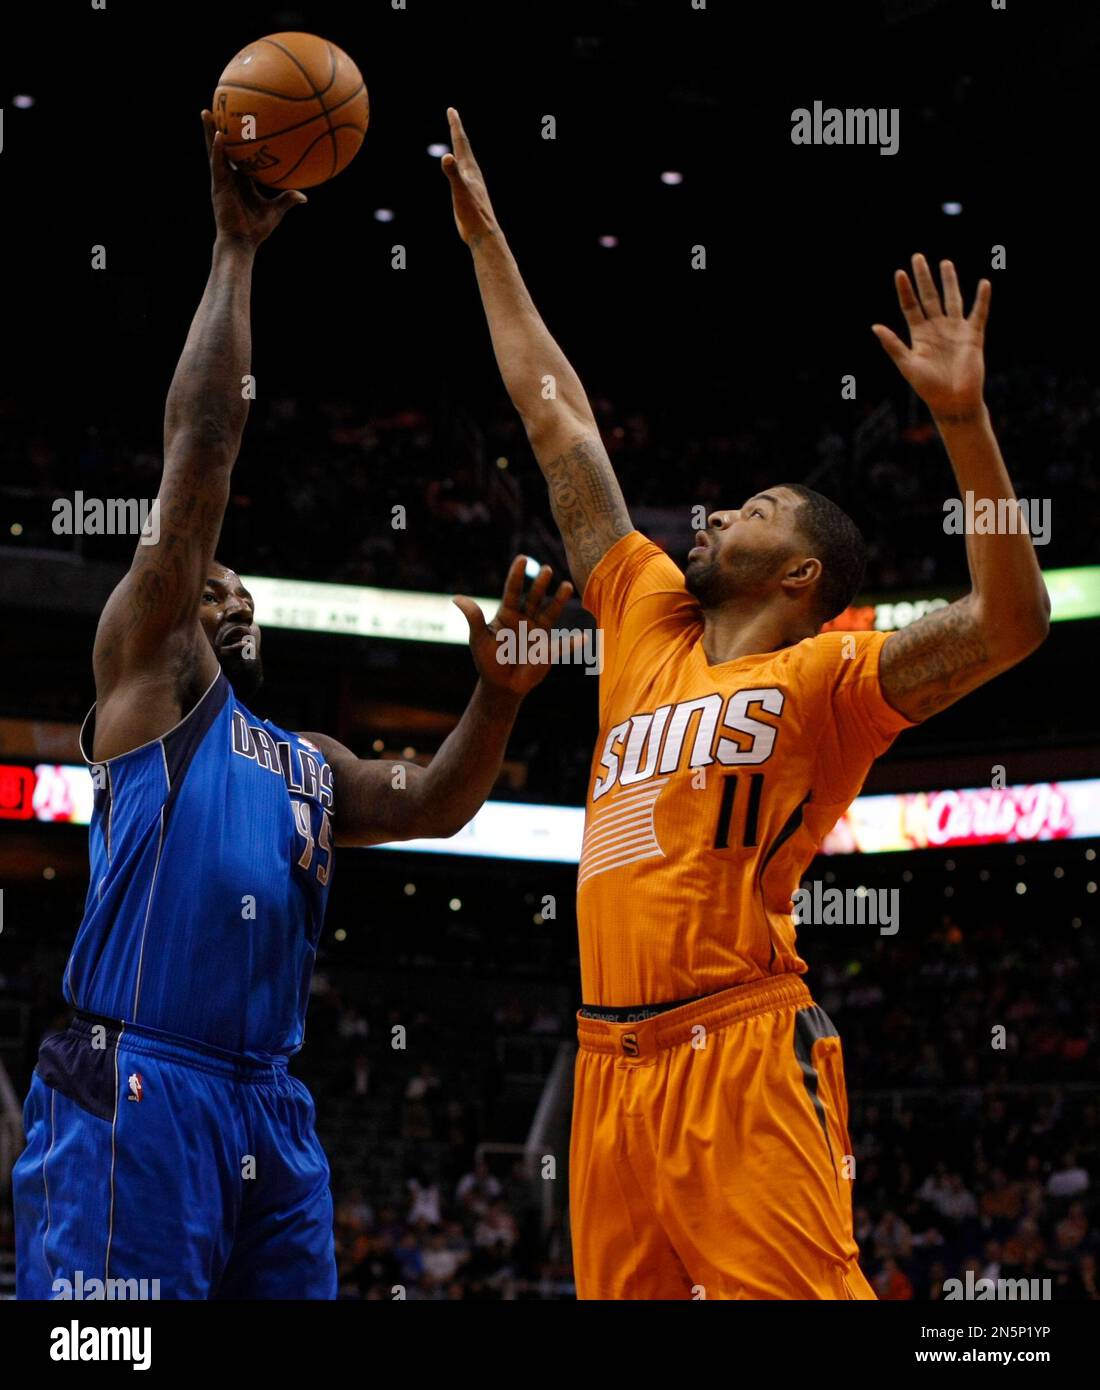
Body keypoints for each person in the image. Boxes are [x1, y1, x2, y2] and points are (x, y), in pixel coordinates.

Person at [442, 107, 1049, 1299]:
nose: (714, 514)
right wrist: (486, 245)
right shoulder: (640, 615)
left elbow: (1008, 625)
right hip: (605, 1069)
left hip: (739, 1049)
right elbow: (556, 418)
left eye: (754, 509)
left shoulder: (825, 682)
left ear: (801, 574)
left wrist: (963, 424)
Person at [13, 112, 570, 1301]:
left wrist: (496, 697)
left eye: (225, 577)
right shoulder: (148, 688)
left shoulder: (305, 759)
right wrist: (233, 253)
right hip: (135, 1082)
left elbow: (433, 801)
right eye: (189, 573)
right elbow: (200, 455)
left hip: (271, 1102)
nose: (207, 580)